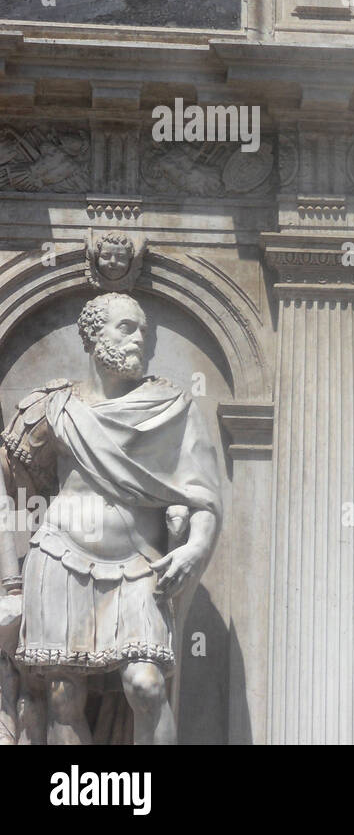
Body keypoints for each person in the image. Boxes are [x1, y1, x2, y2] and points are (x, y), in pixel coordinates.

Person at [0, 292, 222, 744]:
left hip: (138, 567)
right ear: (92, 335)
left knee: (146, 685)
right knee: (64, 695)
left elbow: (203, 497)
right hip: (59, 559)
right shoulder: (53, 407)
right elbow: (11, 488)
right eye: (127, 327)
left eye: (145, 330)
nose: (140, 338)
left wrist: (197, 546)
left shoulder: (171, 408)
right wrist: (10, 581)